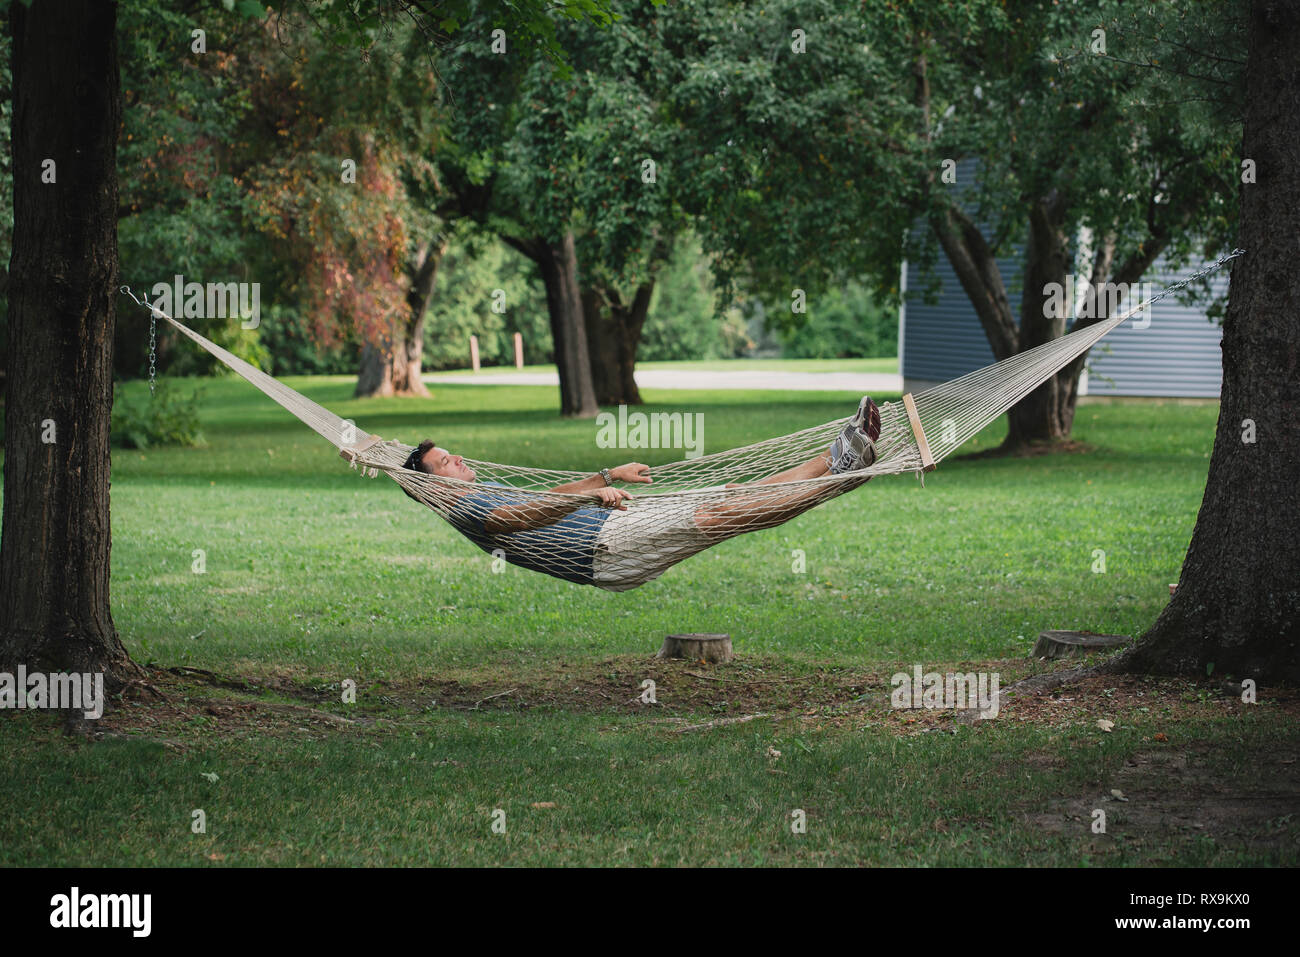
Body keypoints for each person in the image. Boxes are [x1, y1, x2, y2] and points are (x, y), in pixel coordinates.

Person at [400, 397, 881, 590]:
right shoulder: (469, 512)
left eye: (452, 454)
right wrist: (589, 500)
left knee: (737, 494)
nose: (458, 459)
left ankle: (836, 455)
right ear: (432, 487)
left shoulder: (481, 490)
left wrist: (607, 476)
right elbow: (522, 520)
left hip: (613, 528)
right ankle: (842, 470)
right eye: (446, 463)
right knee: (732, 513)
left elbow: (545, 495)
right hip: (606, 551)